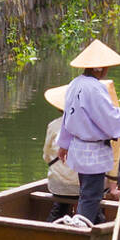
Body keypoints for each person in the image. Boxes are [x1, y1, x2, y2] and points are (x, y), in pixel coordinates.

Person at [50, 40, 120, 224]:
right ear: (98, 68)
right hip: (93, 151)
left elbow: (67, 117)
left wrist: (64, 144)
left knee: (87, 190)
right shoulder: (95, 88)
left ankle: (95, 222)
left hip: (79, 148)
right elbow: (108, 117)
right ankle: (81, 227)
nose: (107, 70)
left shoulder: (74, 83)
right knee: (91, 195)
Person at [41, 93, 81, 221]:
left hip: (57, 184)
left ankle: (52, 224)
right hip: (82, 185)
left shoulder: (53, 125)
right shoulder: (89, 126)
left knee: (61, 204)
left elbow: (46, 156)